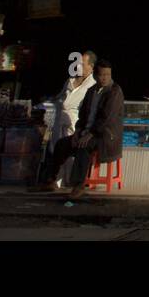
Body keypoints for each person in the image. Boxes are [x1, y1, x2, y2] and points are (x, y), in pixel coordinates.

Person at [43, 60, 124, 199]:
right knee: (62, 144)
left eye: (107, 74)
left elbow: (106, 118)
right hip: (86, 132)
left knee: (83, 147)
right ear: (96, 75)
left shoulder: (114, 91)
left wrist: (89, 135)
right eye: (101, 75)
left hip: (105, 135)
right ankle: (51, 179)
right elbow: (82, 115)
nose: (104, 78)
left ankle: (78, 186)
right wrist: (78, 132)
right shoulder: (92, 91)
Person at [40, 50, 97, 187]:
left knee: (71, 151)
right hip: (60, 120)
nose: (79, 67)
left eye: (82, 64)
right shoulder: (70, 80)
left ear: (91, 66)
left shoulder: (92, 85)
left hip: (75, 123)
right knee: (56, 149)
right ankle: (54, 181)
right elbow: (60, 98)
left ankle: (70, 181)